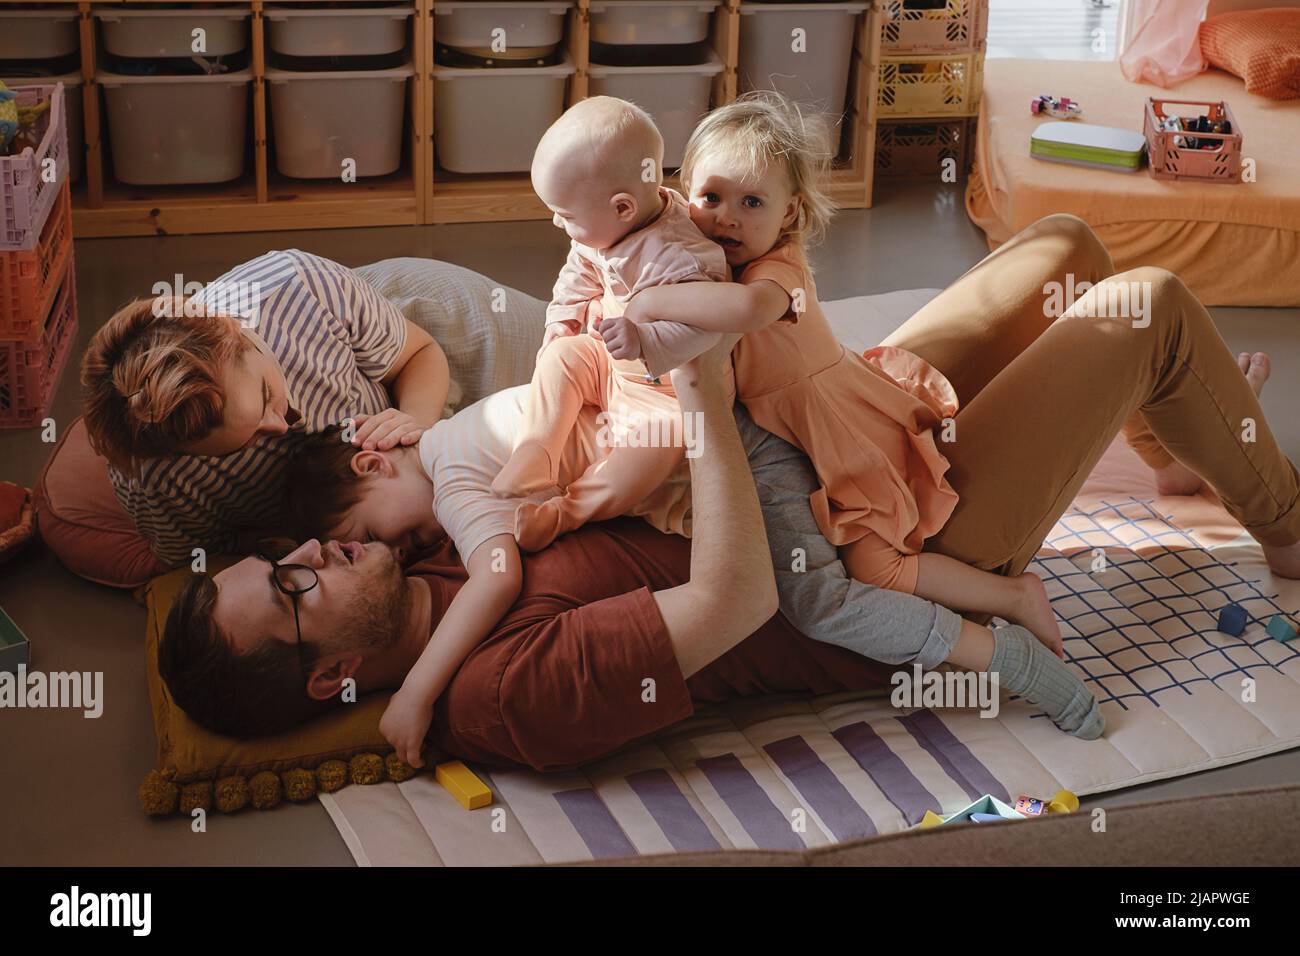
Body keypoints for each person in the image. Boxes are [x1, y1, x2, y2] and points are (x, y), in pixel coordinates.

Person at [77, 249, 451, 568]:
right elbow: (201, 559)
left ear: (233, 330)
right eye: (244, 443)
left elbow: (419, 354)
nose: (281, 427)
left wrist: (414, 423)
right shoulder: (154, 482)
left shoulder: (301, 288)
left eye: (265, 394)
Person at [492, 96, 728, 551]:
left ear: (622, 207)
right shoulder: (602, 231)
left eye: (566, 214)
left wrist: (644, 338)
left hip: (664, 393)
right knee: (564, 355)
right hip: (608, 363)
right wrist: (561, 325)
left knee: (659, 446)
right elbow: (575, 278)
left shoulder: (681, 254)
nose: (556, 222)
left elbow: (705, 328)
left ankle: (566, 512)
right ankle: (536, 451)